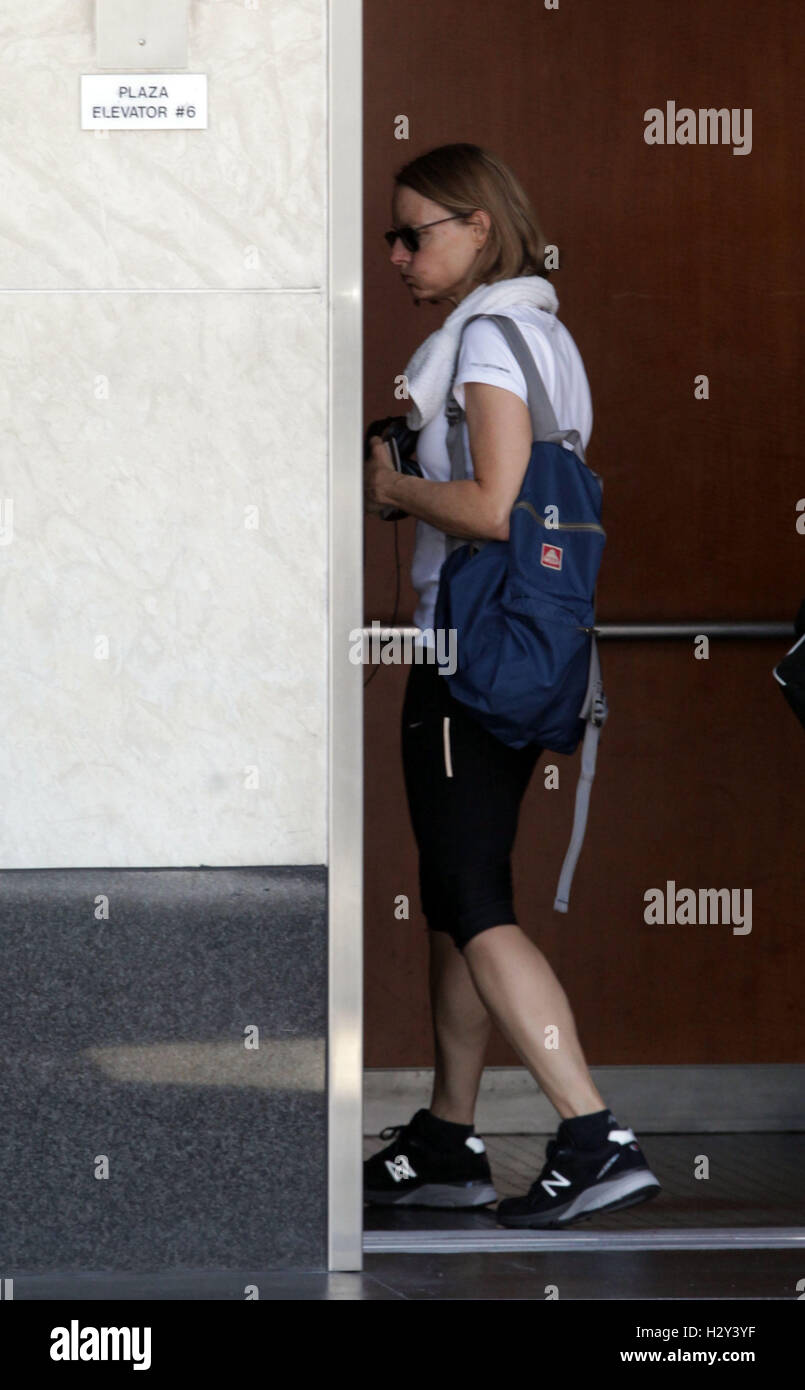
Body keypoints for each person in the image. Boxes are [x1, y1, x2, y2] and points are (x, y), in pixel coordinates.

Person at [363, 143, 660, 1228]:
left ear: (479, 226)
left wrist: (397, 486)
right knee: (459, 890)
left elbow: (492, 508)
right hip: (529, 654)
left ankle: (591, 1133)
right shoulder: (544, 333)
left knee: (474, 902)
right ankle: (446, 1137)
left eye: (415, 232)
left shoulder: (485, 341)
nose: (396, 255)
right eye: (391, 237)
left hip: (471, 659)